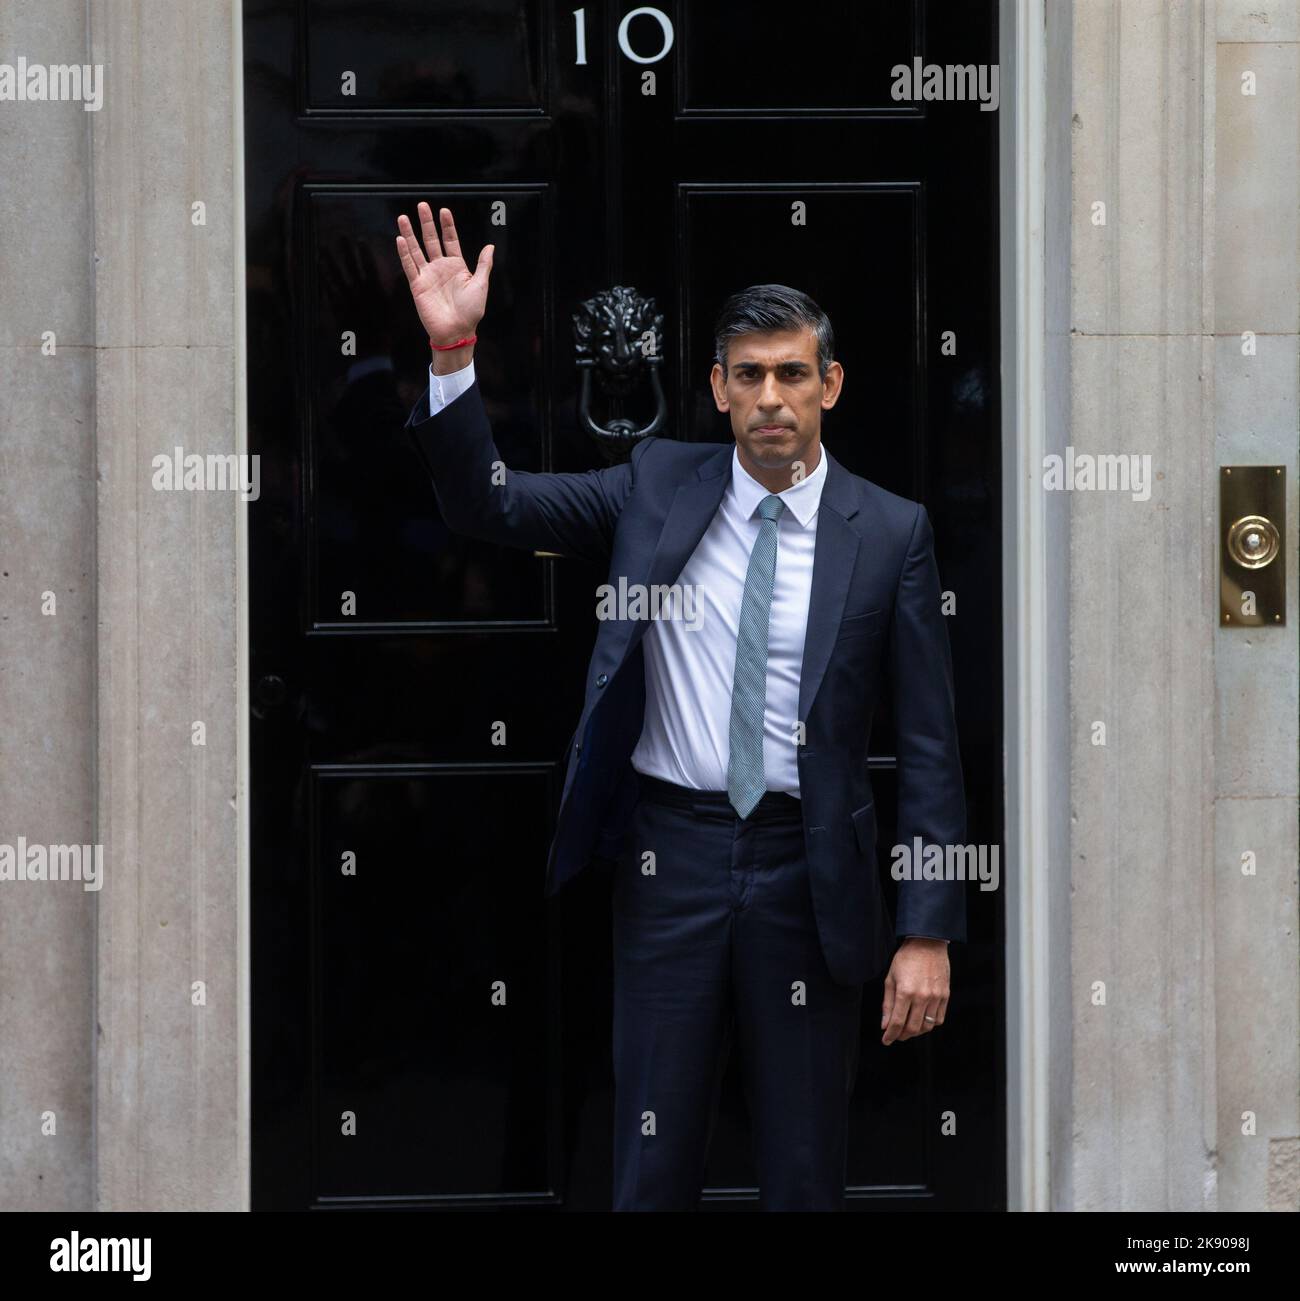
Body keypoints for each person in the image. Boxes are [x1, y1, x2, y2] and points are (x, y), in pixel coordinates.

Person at [395, 203, 966, 1211]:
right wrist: (452, 353)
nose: (771, 398)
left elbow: (927, 744)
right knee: (652, 1162)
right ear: (716, 388)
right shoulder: (655, 486)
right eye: (748, 375)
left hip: (810, 871)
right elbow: (491, 503)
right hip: (672, 860)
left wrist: (927, 929)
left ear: (830, 384)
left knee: (804, 1170)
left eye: (792, 373)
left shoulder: (889, 531)